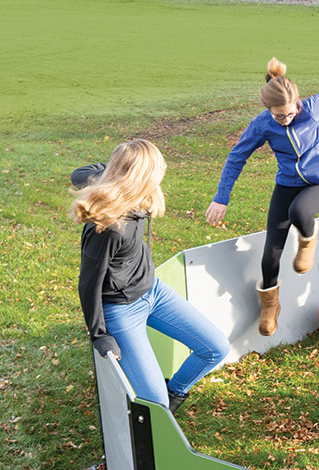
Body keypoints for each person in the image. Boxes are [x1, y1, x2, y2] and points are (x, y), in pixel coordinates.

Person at [206, 57, 319, 336]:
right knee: (271, 253)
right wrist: (221, 198)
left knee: (300, 212)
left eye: (290, 113)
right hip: (287, 184)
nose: (286, 119)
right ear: (268, 109)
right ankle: (271, 306)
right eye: (279, 116)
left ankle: (308, 239)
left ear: (297, 103)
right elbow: (236, 157)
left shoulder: (313, 107)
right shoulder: (262, 125)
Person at [71, 140, 229, 414]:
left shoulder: (137, 197)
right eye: (159, 168)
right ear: (141, 177)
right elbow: (89, 283)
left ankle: (174, 393)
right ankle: (158, 407)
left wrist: (117, 168)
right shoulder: (109, 227)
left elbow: (80, 174)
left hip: (153, 292)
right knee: (154, 404)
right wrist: (99, 335)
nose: (163, 172)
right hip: (121, 308)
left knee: (215, 348)